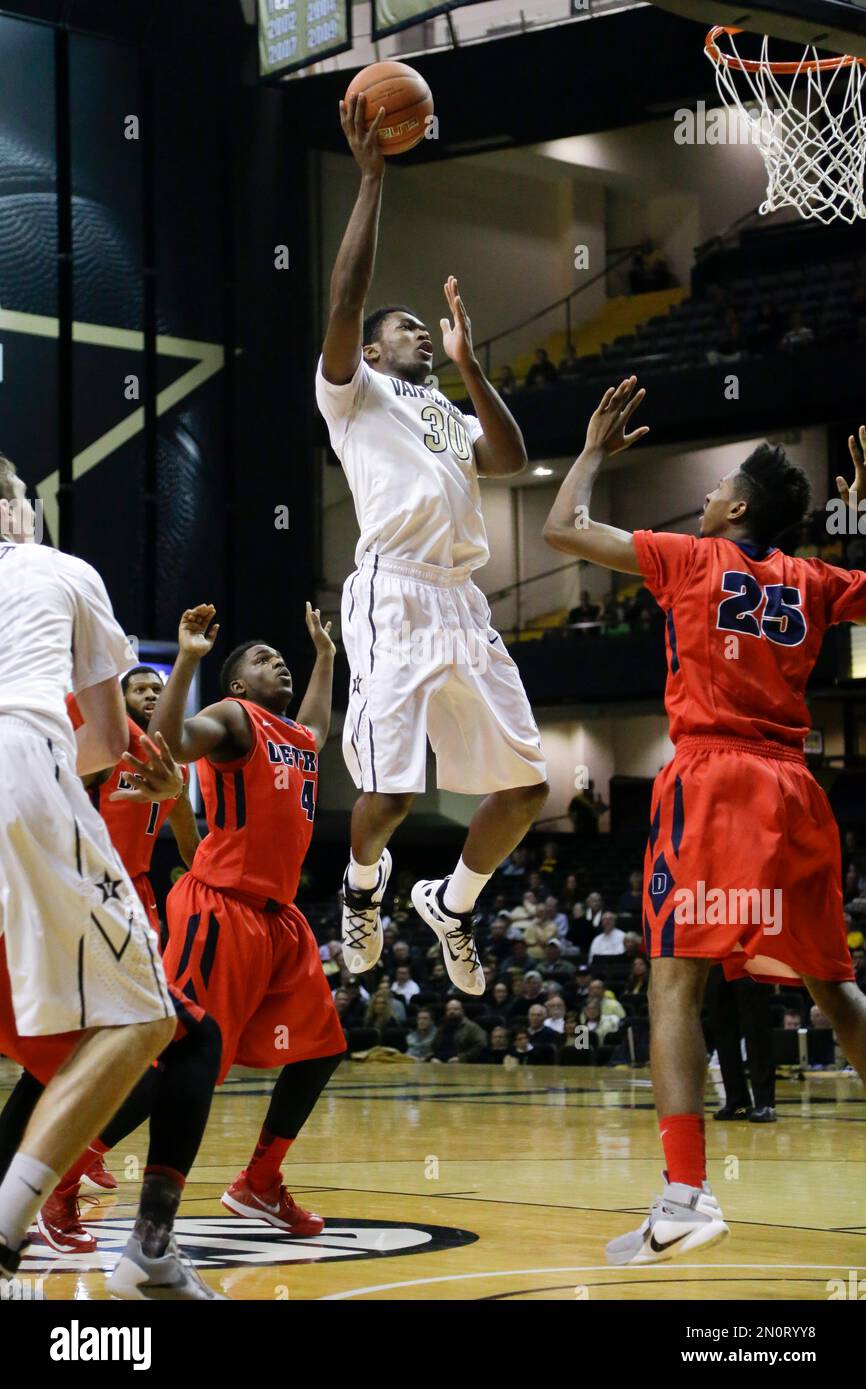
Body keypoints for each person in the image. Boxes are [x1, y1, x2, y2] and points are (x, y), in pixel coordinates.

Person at [544, 376, 866, 1266]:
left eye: (719, 486)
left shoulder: (691, 557)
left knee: (675, 982)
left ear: (733, 506)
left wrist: (595, 452)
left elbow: (562, 528)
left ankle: (685, 1192)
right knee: (833, 988)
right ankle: (683, 1192)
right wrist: (858, 516)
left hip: (717, 781)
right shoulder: (814, 577)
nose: (708, 494)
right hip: (797, 788)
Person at [316, 93, 548, 1000]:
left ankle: (450, 903)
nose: (418, 331)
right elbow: (344, 297)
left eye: (423, 326)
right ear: (370, 351)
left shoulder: (446, 409)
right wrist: (373, 178)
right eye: (405, 326)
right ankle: (361, 888)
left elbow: (513, 458)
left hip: (462, 600)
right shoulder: (354, 394)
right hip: (394, 593)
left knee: (526, 790)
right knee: (397, 797)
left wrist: (471, 368)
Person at [0, 457, 178, 1286]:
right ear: (15, 512)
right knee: (147, 1017)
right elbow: (105, 743)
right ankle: (7, 1220)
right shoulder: (57, 567)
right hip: (22, 755)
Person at [148, 601, 347, 1234]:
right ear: (237, 684)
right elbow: (172, 741)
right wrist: (186, 660)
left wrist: (324, 656)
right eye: (264, 658)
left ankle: (259, 1182)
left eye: (279, 655)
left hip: (279, 920)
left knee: (321, 1048)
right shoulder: (232, 718)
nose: (277, 660)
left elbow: (317, 721)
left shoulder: (297, 738)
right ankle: (68, 1179)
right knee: (181, 1056)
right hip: (221, 907)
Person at [705, 967, 777, 1123]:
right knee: (723, 1031)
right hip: (715, 958)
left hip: (749, 956)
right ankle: (737, 1102)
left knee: (756, 1029)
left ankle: (765, 1103)